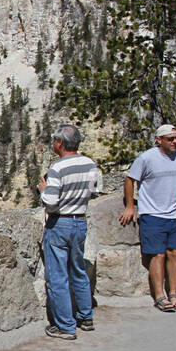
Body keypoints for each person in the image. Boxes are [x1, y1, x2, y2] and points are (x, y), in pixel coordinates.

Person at [37, 123, 103, 339]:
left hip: (60, 223)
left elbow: (51, 202)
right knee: (78, 269)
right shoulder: (90, 164)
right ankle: (86, 317)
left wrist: (43, 190)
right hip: (80, 221)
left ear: (60, 143)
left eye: (54, 141)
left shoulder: (58, 168)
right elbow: (95, 191)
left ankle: (65, 326)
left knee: (57, 276)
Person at [119, 124, 176, 311]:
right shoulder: (146, 158)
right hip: (152, 213)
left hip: (174, 213)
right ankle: (160, 295)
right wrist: (130, 206)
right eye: (170, 139)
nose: (175, 142)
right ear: (159, 140)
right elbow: (130, 179)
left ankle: (174, 293)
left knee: (175, 253)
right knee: (157, 254)